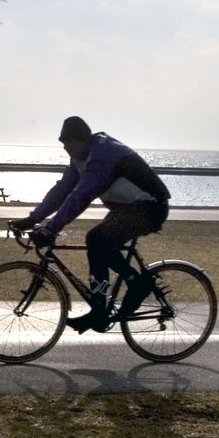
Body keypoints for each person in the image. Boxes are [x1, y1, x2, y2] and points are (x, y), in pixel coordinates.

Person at [10, 116, 171, 333]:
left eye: (68, 142)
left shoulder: (104, 154)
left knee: (97, 239)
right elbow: (61, 191)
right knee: (97, 243)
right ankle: (100, 308)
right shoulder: (80, 159)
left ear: (82, 139)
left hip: (150, 207)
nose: (65, 147)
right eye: (62, 143)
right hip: (128, 209)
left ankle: (137, 284)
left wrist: (51, 228)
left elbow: (82, 196)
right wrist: (32, 219)